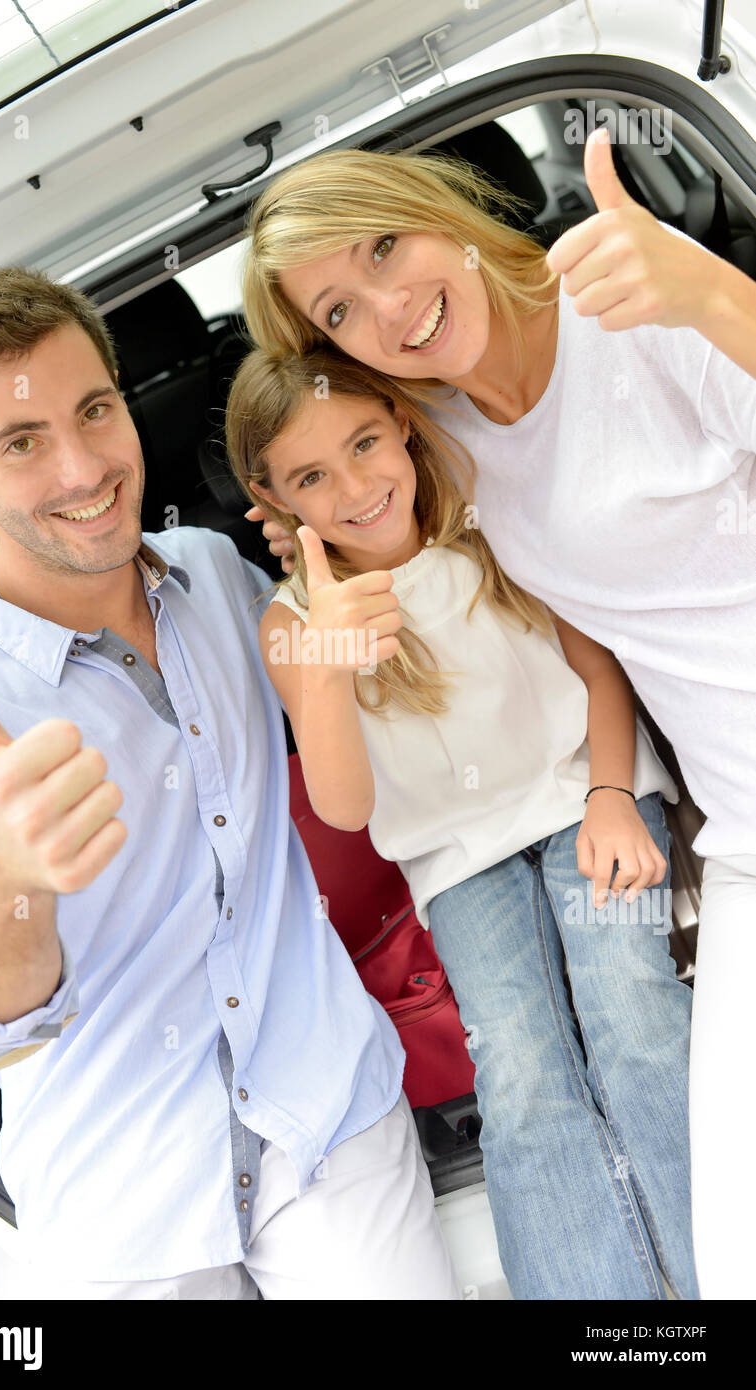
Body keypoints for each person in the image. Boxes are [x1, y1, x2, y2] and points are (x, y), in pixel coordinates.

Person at [238, 126, 756, 1300]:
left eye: (384, 245)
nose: (388, 305)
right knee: (556, 1101)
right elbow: (345, 794)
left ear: (435, 205)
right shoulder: (448, 444)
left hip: (626, 802)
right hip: (718, 834)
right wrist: (319, 615)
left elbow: (587, 656)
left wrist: (717, 296)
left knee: (639, 1030)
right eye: (337, 312)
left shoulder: (625, 304)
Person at [0, 264, 462, 1301]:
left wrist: (334, 551)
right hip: (127, 1200)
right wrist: (4, 871)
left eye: (94, 411)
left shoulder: (215, 571)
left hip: (328, 1116)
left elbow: (363, 716)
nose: (82, 467)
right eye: (22, 443)